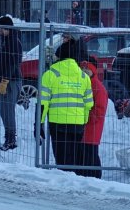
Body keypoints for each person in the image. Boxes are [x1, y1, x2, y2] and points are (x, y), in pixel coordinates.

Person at [38, 38, 93, 174]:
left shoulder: (50, 74)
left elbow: (43, 103)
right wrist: (83, 121)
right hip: (77, 124)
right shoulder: (83, 77)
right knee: (73, 159)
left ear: (59, 57)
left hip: (58, 123)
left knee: (61, 161)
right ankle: (74, 186)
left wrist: (38, 123)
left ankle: (64, 188)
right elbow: (88, 104)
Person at [0, 15, 23, 151]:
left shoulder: (14, 42)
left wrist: (4, 80)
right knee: (3, 111)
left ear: (5, 28)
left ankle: (11, 140)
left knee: (8, 111)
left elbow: (13, 64)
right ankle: (8, 137)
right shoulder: (4, 40)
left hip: (11, 81)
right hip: (2, 80)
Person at [79, 60, 107, 178]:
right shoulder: (87, 84)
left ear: (92, 71)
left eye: (87, 70)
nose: (84, 72)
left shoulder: (96, 86)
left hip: (92, 127)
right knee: (86, 153)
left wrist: (86, 118)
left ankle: (95, 176)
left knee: (91, 153)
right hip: (86, 126)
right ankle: (89, 175)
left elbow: (99, 109)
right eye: (82, 70)